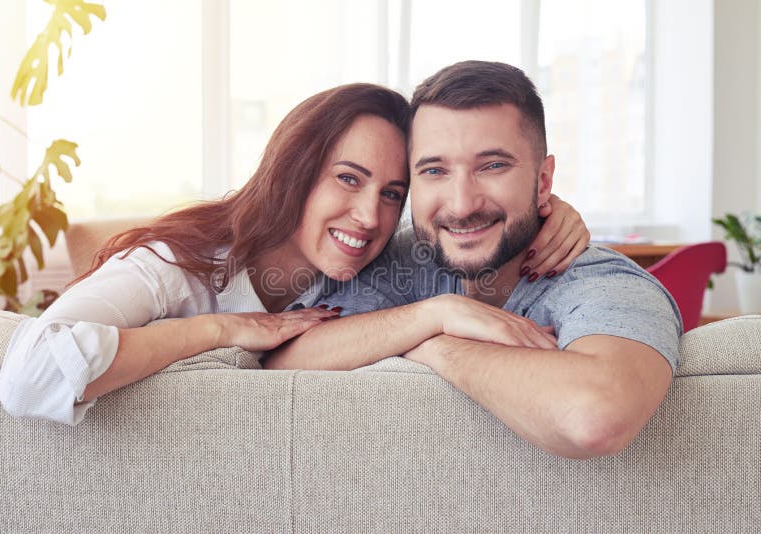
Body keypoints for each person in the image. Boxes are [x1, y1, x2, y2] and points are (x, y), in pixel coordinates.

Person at [0, 82, 589, 425]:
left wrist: (548, 210)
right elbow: (30, 376)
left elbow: (461, 221)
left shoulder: (374, 268)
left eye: (392, 194)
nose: (370, 217)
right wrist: (220, 330)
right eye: (348, 179)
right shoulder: (173, 267)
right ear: (294, 173)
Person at [265, 61, 682, 460]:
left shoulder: (603, 282)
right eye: (434, 171)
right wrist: (435, 315)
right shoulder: (405, 258)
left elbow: (596, 417)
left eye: (493, 166)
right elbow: (285, 357)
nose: (462, 205)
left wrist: (436, 346)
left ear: (543, 182)